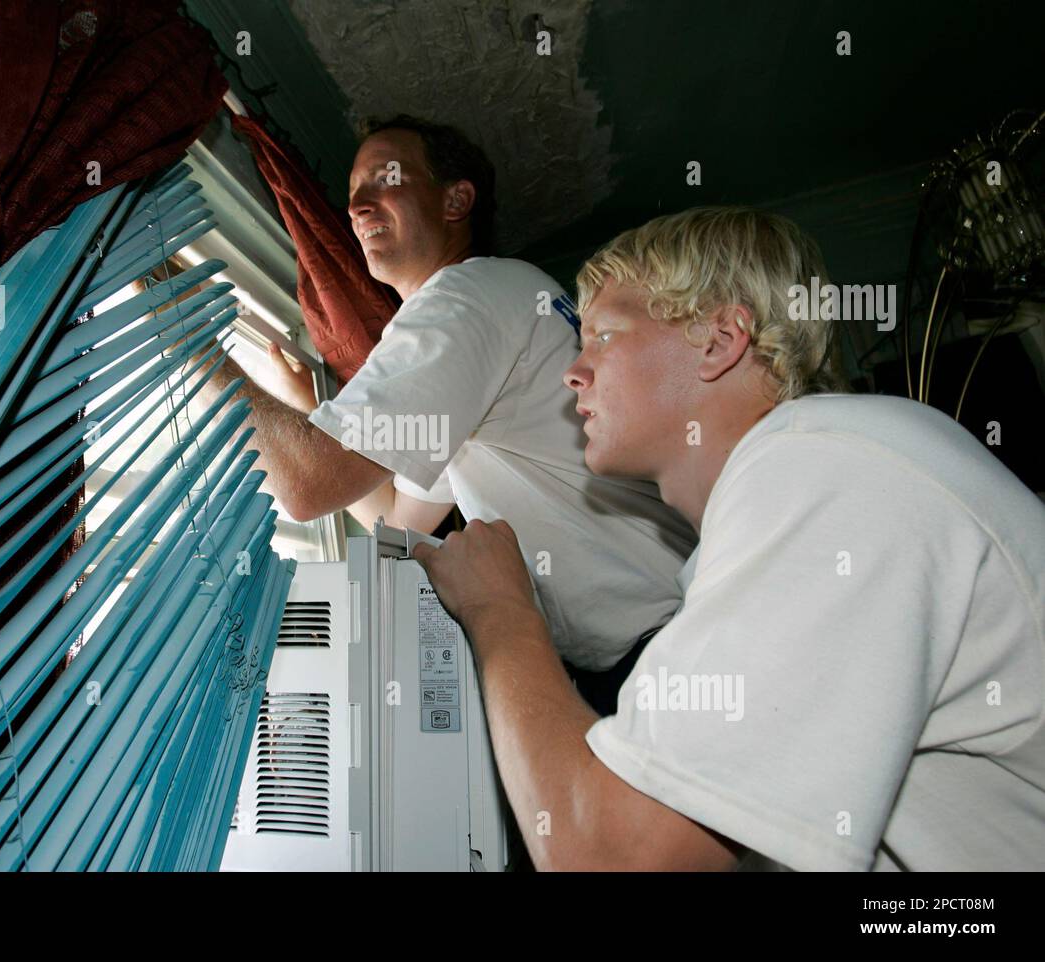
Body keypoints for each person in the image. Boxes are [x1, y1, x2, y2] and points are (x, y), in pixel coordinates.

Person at [412, 206, 1045, 871]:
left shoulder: (821, 467)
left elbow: (611, 860)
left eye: (603, 336)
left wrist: (500, 610)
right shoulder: (791, 493)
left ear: (718, 340)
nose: (575, 371)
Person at [202, 115, 695, 674]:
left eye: (386, 179)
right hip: (655, 633)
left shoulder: (466, 299)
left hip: (661, 641)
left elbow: (307, 484)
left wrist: (191, 344)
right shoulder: (500, 307)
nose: (357, 206)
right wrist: (312, 408)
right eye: (353, 192)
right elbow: (396, 519)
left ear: (456, 200)